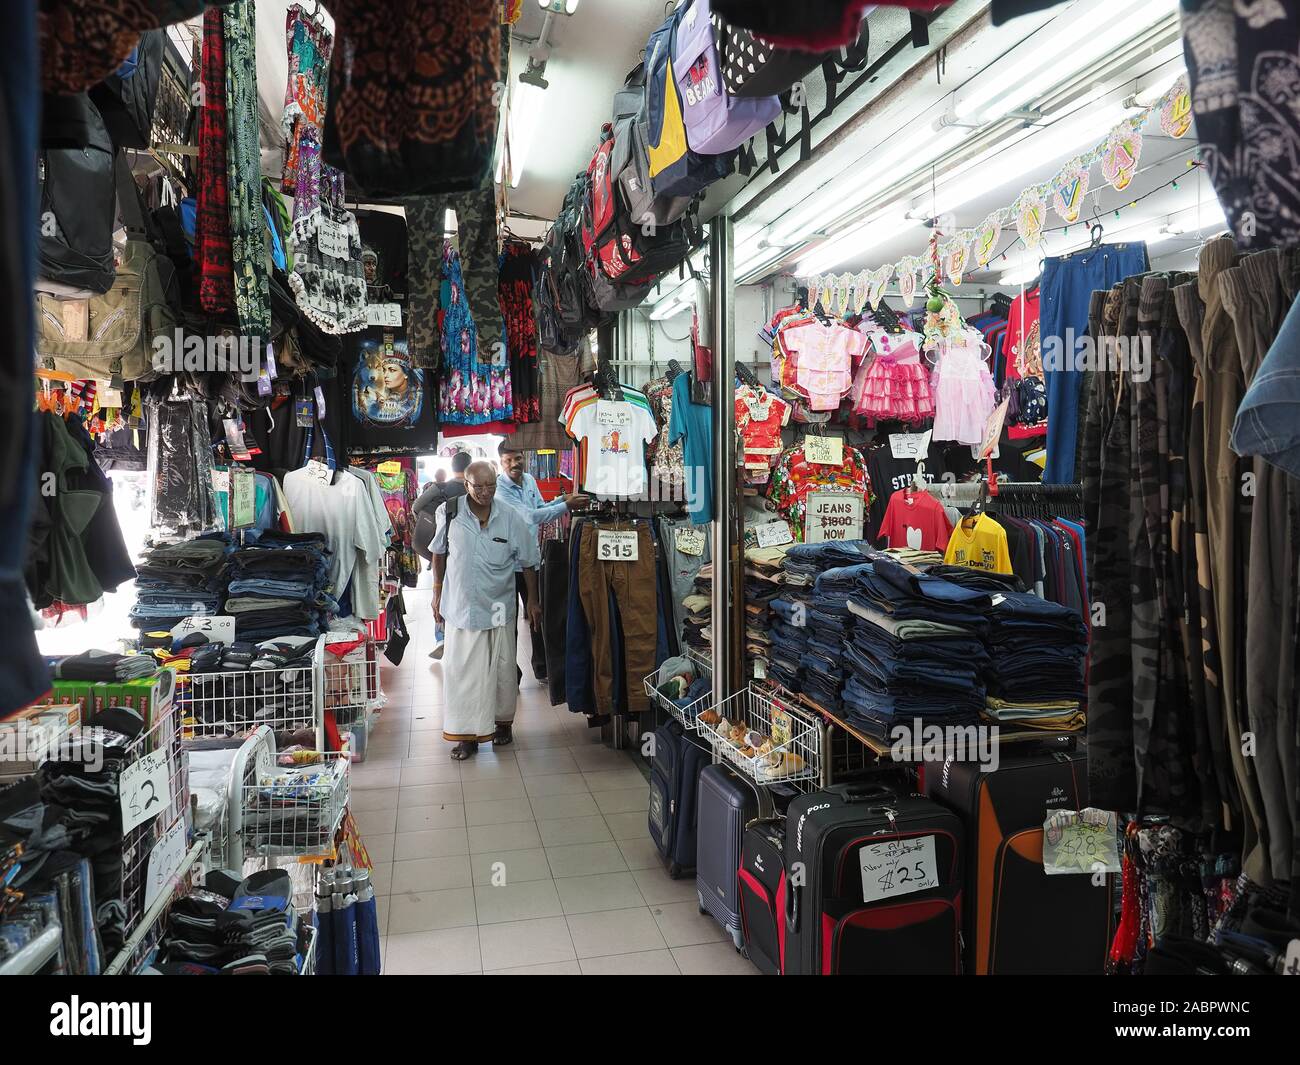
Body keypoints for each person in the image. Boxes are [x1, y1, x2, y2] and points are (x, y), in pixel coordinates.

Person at [431, 461, 541, 759]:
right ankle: (466, 736)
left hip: (498, 607)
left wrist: (532, 600)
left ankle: (502, 724)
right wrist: (437, 592)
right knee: (461, 673)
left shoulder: (509, 516)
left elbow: (528, 561)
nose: (485, 492)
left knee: (503, 670)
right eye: (478, 486)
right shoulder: (450, 513)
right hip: (462, 609)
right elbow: (438, 555)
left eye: (490, 485)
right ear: (466, 484)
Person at [495, 441, 588, 681]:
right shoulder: (499, 489)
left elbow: (539, 508)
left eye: (518, 458)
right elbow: (529, 517)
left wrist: (561, 500)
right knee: (509, 622)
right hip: (506, 564)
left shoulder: (529, 480)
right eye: (509, 460)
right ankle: (509, 675)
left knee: (538, 614)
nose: (515, 464)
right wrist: (566, 504)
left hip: (531, 561)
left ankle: (543, 668)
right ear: (501, 462)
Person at [417, 451, 471, 660]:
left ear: (452, 466)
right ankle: (461, 635)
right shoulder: (475, 488)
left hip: (441, 549)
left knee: (440, 590)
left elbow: (416, 506)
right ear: (469, 467)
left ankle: (441, 637)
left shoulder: (440, 488)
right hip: (464, 549)